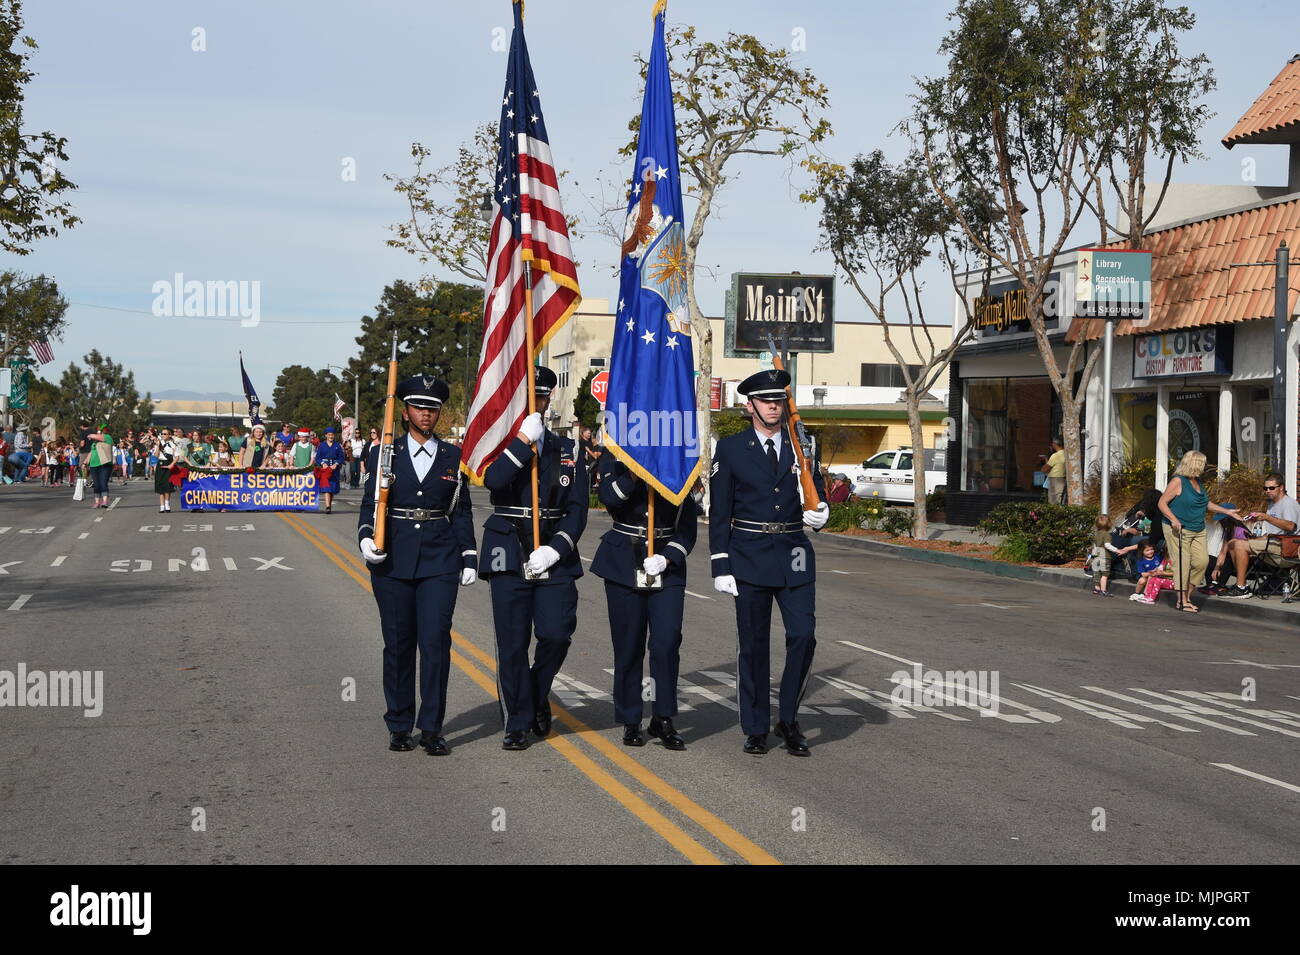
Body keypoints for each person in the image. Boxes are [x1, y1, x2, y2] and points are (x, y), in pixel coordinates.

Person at [710, 368, 829, 756]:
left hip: (794, 551)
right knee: (754, 645)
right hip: (748, 553)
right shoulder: (730, 449)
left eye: (778, 400)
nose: (773, 406)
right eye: (765, 400)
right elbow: (719, 512)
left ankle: (789, 718)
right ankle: (757, 726)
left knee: (803, 636)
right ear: (750, 406)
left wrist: (823, 511)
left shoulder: (803, 443)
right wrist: (720, 563)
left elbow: (817, 490)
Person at [357, 375, 477, 756]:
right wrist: (365, 538)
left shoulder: (453, 457)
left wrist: (469, 553)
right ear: (405, 411)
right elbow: (369, 504)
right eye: (419, 407)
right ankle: (398, 723)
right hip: (392, 557)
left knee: (436, 643)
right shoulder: (382, 454)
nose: (426, 414)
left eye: (433, 408)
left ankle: (431, 727)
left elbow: (460, 509)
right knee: (398, 644)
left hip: (440, 559)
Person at [479, 366, 588, 751]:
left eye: (543, 396)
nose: (538, 403)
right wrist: (524, 441)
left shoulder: (567, 450)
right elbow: (494, 482)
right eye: (531, 396)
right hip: (508, 547)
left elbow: (577, 509)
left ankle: (537, 692)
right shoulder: (502, 442)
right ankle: (518, 721)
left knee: (557, 633)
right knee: (512, 643)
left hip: (552, 552)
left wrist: (556, 548)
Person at [591, 452, 698, 749]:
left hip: (665, 564)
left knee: (666, 642)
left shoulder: (676, 459)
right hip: (624, 559)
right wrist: (636, 471)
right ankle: (630, 718)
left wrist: (669, 557)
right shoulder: (615, 455)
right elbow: (610, 499)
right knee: (629, 644)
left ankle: (663, 717)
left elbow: (688, 526)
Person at [1157, 450, 1236, 613]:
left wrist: (1227, 511)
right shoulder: (1178, 481)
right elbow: (1162, 503)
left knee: (1202, 562)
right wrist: (1173, 519)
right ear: (1194, 463)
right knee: (1183, 563)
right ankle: (1182, 601)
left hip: (1197, 528)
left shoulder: (1197, 481)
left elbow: (1205, 503)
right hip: (1179, 529)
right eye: (1202, 463)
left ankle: (1187, 596)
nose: (1204, 466)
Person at [1219, 474, 1300, 599]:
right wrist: (1255, 539)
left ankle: (1241, 587)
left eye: (1271, 488)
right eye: (1265, 488)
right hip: (1273, 542)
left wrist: (1267, 517)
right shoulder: (1272, 504)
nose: (1267, 491)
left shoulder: (1288, 503)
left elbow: (1290, 527)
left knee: (1239, 545)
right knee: (1233, 542)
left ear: (1281, 487)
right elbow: (1271, 533)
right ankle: (1241, 583)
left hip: (1286, 548)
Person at [315, 426, 346, 514]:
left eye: (332, 435)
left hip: (334, 470)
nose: (331, 436)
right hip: (325, 469)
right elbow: (317, 458)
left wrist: (336, 464)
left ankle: (329, 506)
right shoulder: (321, 445)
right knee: (326, 488)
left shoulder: (337, 445)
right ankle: (327, 507)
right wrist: (322, 463)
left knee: (332, 489)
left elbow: (341, 457)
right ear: (326, 435)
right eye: (329, 435)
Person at [1089, 513, 1120, 596]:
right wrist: (1117, 550)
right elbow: (1107, 545)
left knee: (1097, 573)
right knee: (1104, 574)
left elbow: (1094, 546)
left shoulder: (1096, 534)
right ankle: (1103, 590)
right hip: (1104, 557)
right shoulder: (1107, 534)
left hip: (1095, 556)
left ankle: (1096, 588)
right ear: (1109, 524)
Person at [86, 422, 115, 508]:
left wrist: (90, 434)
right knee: (96, 483)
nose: (101, 431)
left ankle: (105, 501)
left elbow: (98, 437)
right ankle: (97, 502)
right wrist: (85, 462)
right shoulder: (95, 442)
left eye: (101, 430)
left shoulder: (107, 437)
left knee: (103, 482)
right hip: (94, 464)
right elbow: (92, 452)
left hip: (105, 463)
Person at [153, 428, 180, 512]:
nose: (163, 435)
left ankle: (167, 504)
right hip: (160, 464)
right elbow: (156, 455)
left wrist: (171, 465)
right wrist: (157, 445)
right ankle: (162, 506)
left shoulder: (173, 444)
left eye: (165, 434)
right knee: (160, 485)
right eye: (162, 433)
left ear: (169, 435)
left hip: (169, 464)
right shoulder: (159, 443)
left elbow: (177, 457)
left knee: (168, 485)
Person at [1041, 437, 1066, 504]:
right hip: (1063, 479)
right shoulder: (1067, 454)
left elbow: (1044, 469)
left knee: (1053, 502)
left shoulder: (1056, 455)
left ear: (1054, 444)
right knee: (1060, 500)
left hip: (1055, 480)